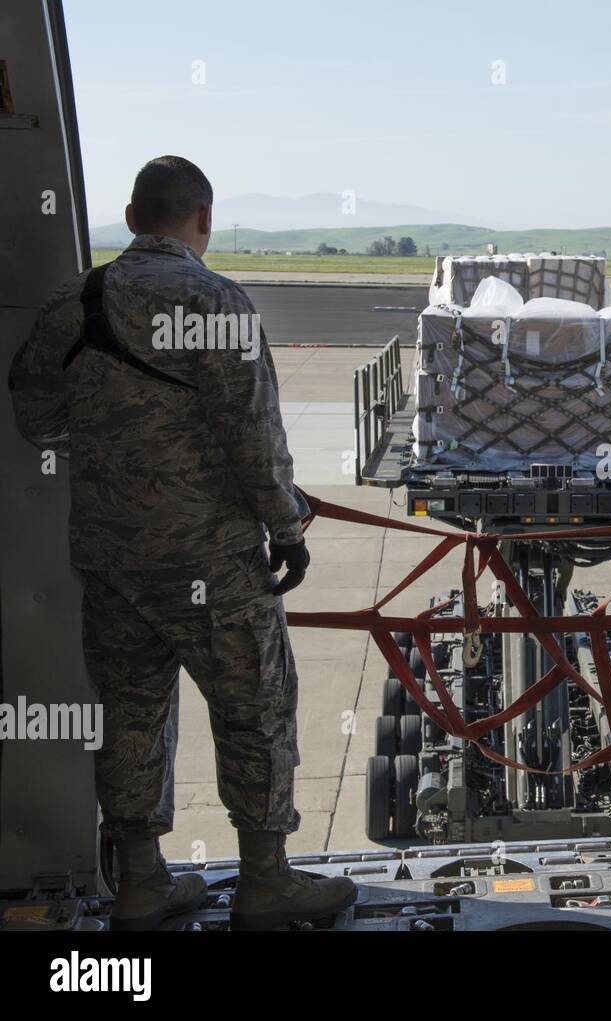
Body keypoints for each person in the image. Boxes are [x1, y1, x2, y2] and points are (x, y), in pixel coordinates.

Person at [8, 155, 356, 929]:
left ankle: (140, 882)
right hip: (212, 561)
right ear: (204, 220)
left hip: (111, 561)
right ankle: (265, 880)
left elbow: (34, 413)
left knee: (130, 713)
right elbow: (254, 438)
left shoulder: (76, 300)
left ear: (133, 219)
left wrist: (109, 436)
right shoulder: (215, 301)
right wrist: (286, 527)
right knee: (256, 707)